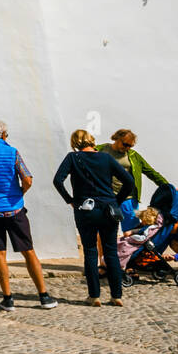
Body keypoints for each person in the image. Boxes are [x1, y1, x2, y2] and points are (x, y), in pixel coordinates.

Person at [0, 120, 57, 312]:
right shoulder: (12, 152)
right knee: (28, 251)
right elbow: (28, 179)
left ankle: (7, 298)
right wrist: (20, 192)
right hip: (14, 209)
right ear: (4, 134)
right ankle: (44, 296)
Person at [53, 128, 135, 306]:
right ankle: (116, 295)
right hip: (108, 209)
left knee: (90, 251)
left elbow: (57, 180)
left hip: (85, 209)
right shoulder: (106, 158)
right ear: (91, 141)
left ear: (75, 143)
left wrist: (70, 200)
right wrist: (116, 201)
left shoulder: (72, 158)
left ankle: (94, 296)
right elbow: (129, 182)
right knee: (111, 252)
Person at [99, 128, 168, 229]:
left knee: (132, 228)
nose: (127, 148)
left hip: (128, 197)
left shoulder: (133, 156)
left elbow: (151, 173)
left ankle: (130, 245)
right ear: (117, 138)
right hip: (106, 195)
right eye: (125, 144)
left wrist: (168, 186)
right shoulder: (101, 149)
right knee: (104, 228)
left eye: (130, 146)